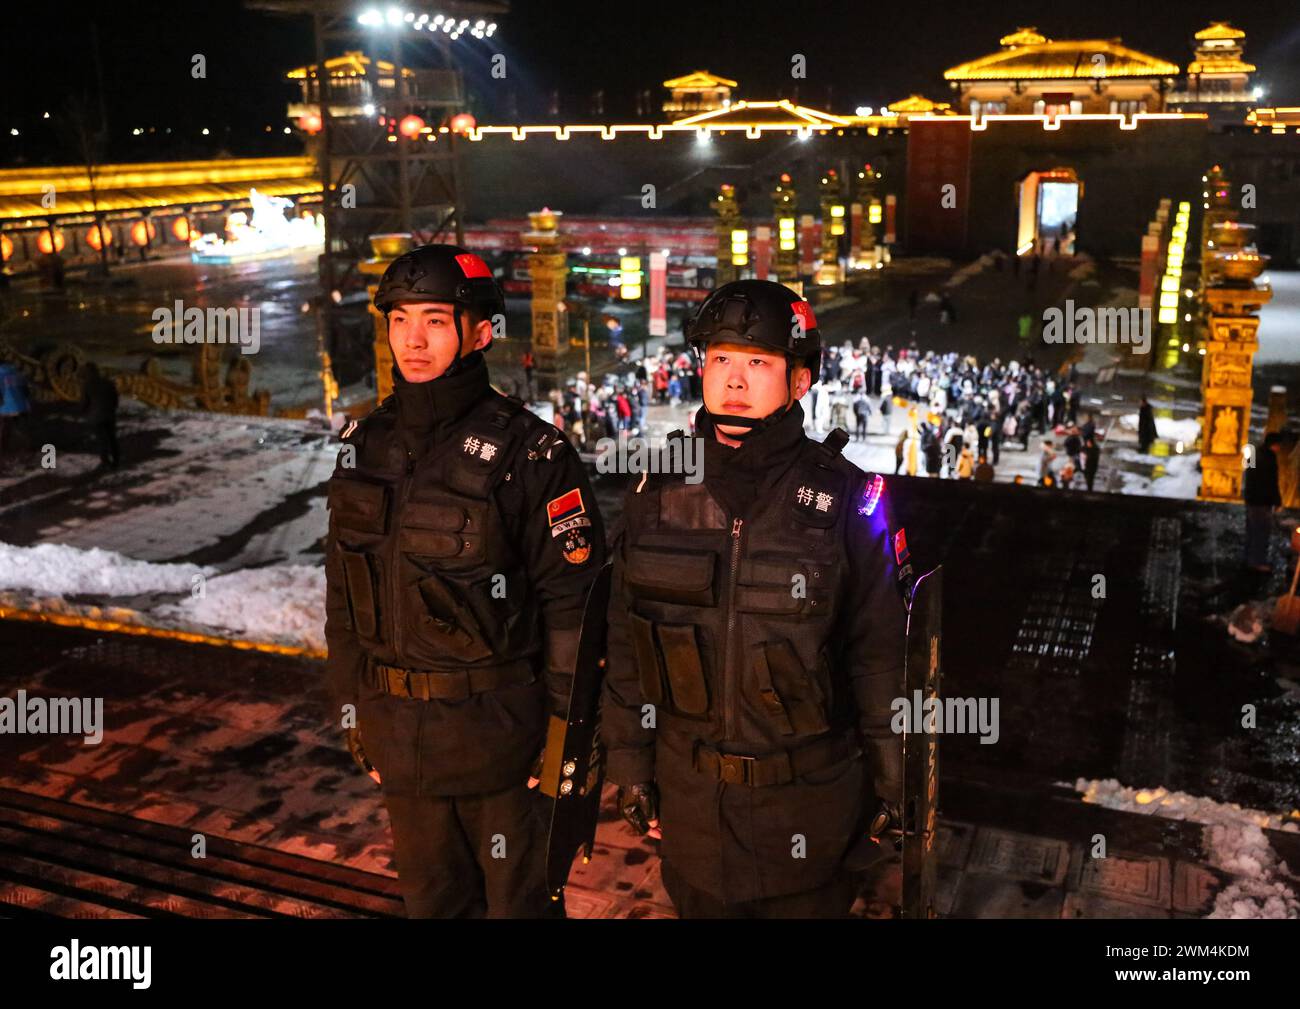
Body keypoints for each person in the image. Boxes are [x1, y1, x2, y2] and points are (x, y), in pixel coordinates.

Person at [602, 279, 909, 918]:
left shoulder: (851, 503)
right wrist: (632, 766)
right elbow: (627, 649)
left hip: (810, 812)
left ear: (799, 380)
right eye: (720, 360)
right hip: (693, 812)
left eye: (757, 363)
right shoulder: (655, 494)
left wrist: (895, 782)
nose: (734, 381)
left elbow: (879, 658)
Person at [323, 244, 605, 918]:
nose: (413, 340)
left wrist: (568, 743)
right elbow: (345, 597)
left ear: (480, 331)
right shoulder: (368, 446)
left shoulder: (532, 454)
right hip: (403, 742)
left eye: (436, 321)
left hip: (505, 748)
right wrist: (353, 707)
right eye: (400, 320)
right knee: (432, 905)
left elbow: (575, 607)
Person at [1243, 433, 1282, 572]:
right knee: (1262, 532)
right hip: (1262, 501)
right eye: (1279, 445)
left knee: (1252, 530)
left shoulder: (1253, 453)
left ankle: (1248, 558)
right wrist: (1277, 502)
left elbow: (1247, 474)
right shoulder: (1270, 458)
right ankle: (1257, 562)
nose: (1279, 449)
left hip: (1251, 498)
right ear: (1275, 445)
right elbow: (1272, 483)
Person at [80, 363, 120, 468]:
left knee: (102, 439)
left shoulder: (87, 385)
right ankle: (116, 461)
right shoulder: (109, 383)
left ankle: (105, 461)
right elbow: (115, 400)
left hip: (96, 416)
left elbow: (85, 403)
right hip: (109, 414)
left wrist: (83, 412)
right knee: (112, 438)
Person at [0, 361, 31, 460]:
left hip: (5, 408)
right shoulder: (18, 373)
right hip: (22, 406)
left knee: (3, 430)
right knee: (18, 429)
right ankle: (25, 450)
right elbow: (26, 391)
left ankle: (4, 452)